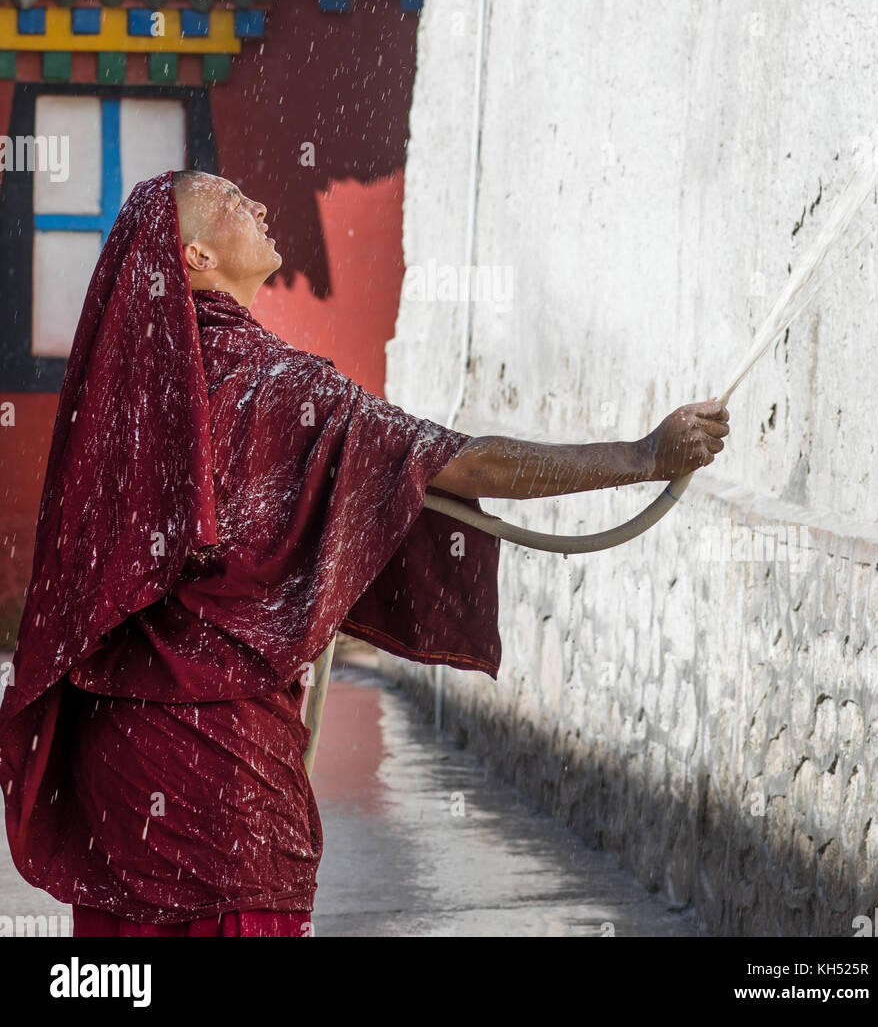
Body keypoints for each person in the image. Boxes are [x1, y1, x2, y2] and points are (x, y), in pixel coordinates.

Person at [0, 169, 728, 939]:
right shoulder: (271, 385)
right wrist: (640, 456)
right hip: (220, 774)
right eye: (227, 200)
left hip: (122, 761)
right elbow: (458, 462)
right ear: (196, 258)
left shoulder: (128, 399)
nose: (257, 202)